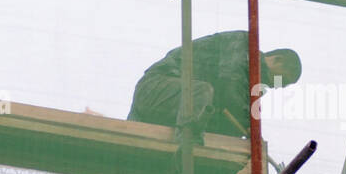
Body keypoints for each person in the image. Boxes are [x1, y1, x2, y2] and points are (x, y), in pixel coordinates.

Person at [127, 30, 301, 137]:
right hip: (156, 88)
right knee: (201, 92)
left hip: (176, 114)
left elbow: (229, 115)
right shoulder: (244, 44)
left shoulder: (250, 89)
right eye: (282, 80)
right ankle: (187, 147)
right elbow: (228, 84)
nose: (278, 86)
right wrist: (249, 123)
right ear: (277, 60)